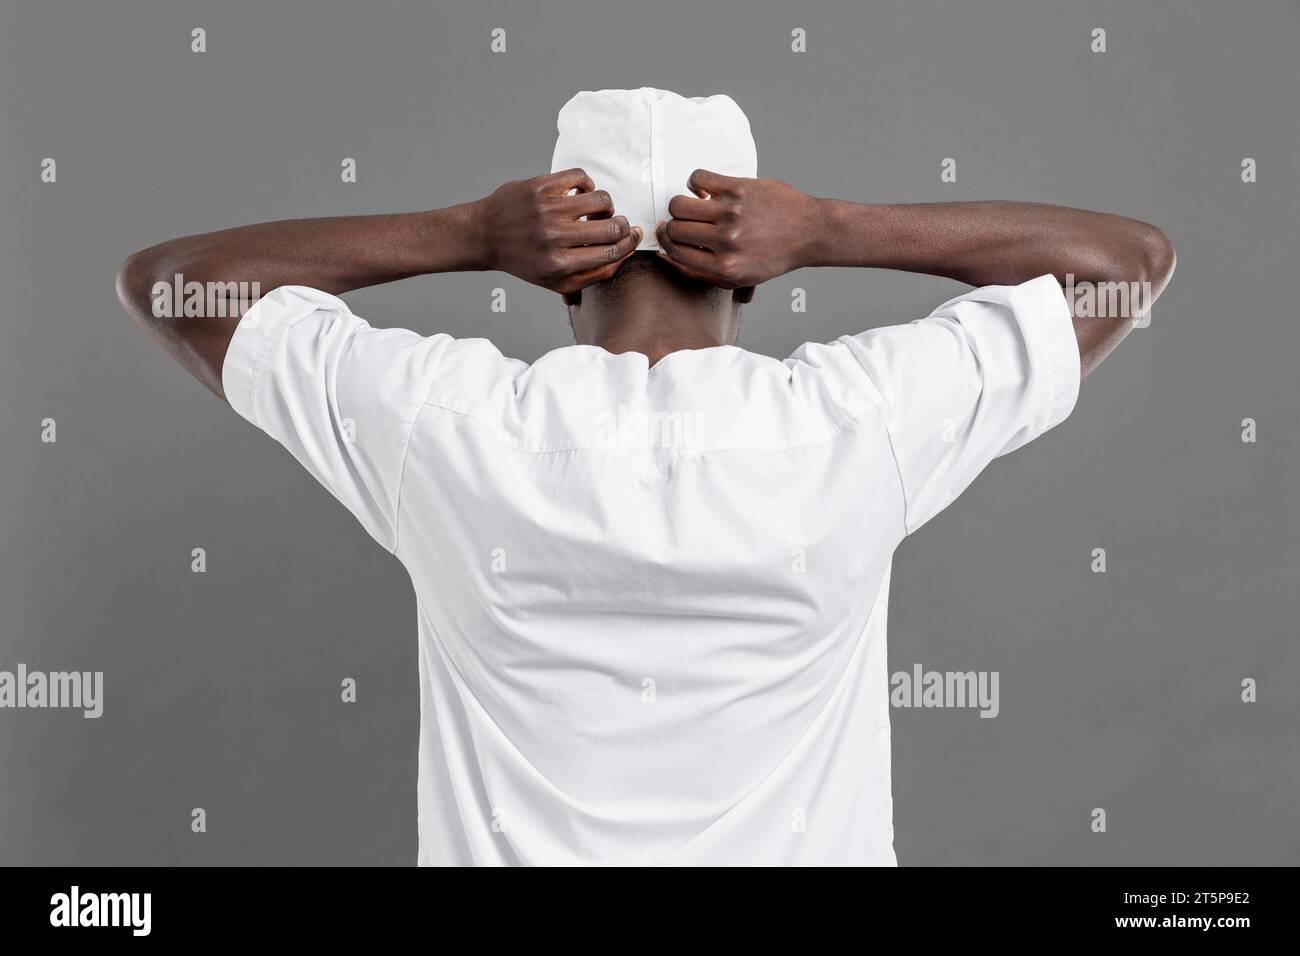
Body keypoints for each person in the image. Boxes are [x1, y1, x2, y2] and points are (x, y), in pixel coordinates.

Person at [116, 88, 1174, 865]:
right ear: (748, 282)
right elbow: (1126, 266)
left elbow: (174, 285)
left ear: (560, 276)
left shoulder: (447, 425)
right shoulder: (855, 422)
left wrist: (467, 234)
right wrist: (833, 230)